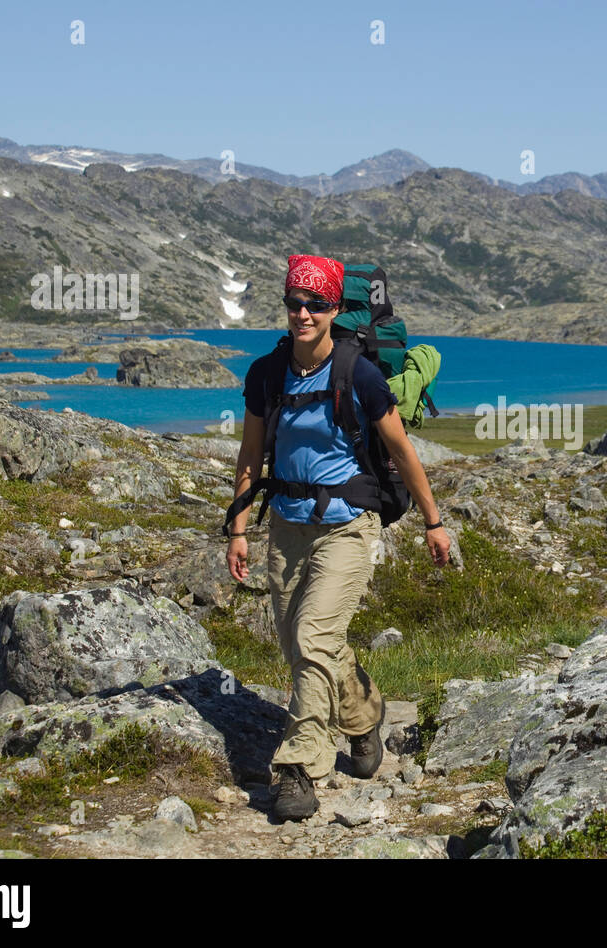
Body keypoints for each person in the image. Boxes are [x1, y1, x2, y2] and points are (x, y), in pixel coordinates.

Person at [226, 254, 450, 822]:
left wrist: (433, 521)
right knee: (306, 645)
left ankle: (299, 768)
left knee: (311, 635)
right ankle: (364, 713)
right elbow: (252, 455)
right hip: (287, 525)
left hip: (349, 525)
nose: (304, 313)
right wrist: (238, 528)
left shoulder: (361, 375)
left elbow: (401, 451)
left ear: (334, 310)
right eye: (295, 303)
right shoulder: (266, 374)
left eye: (317, 304)